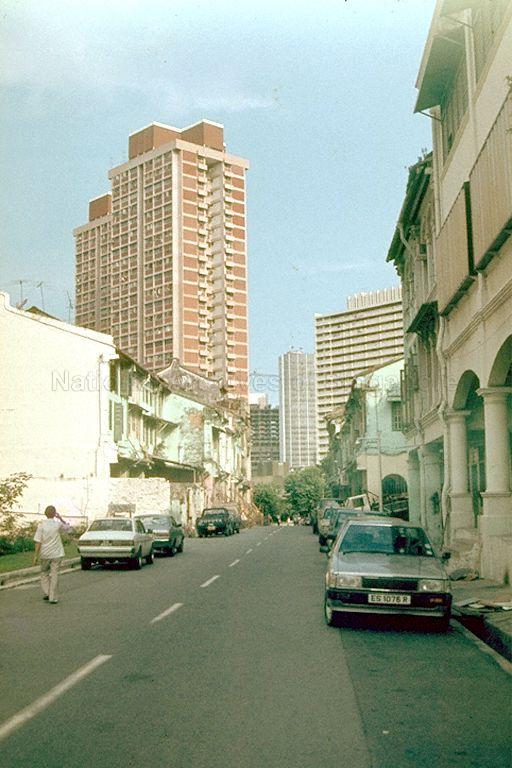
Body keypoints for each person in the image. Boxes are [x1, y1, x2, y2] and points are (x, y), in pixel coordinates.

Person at [33, 506, 73, 604]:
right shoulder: (57, 524)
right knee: (54, 574)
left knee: (44, 573)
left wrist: (35, 556)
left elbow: (38, 541)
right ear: (55, 514)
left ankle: (47, 592)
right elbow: (69, 529)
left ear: (45, 514)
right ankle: (53, 596)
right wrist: (60, 518)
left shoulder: (41, 525)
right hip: (56, 553)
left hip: (45, 554)